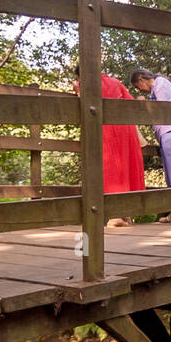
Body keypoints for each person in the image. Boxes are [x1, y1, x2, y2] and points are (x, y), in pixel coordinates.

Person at [74, 64, 144, 227]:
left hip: (106, 128)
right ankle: (126, 213)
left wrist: (77, 87)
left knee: (111, 168)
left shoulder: (85, 85)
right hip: (126, 128)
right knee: (126, 168)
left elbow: (85, 104)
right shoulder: (115, 82)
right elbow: (130, 102)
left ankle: (115, 215)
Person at [129, 67, 171, 224]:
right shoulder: (155, 90)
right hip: (168, 134)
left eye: (138, 87)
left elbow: (161, 108)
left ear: (141, 80)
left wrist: (144, 104)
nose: (141, 90)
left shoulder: (161, 84)